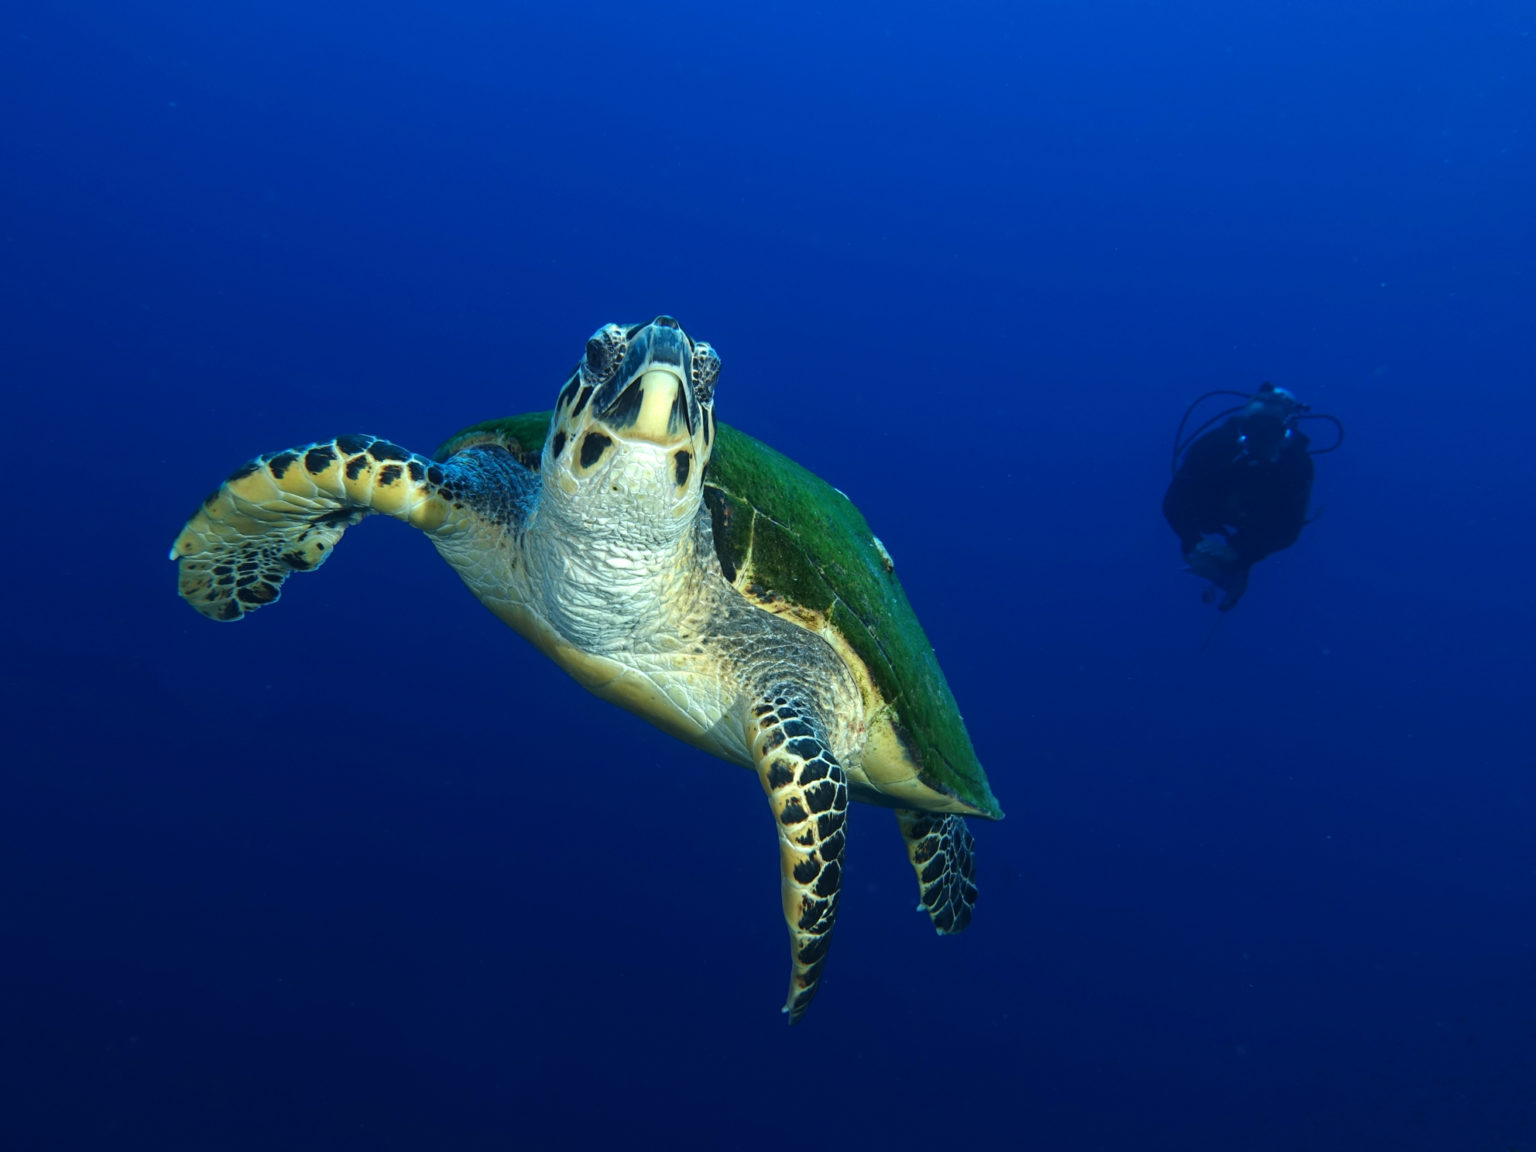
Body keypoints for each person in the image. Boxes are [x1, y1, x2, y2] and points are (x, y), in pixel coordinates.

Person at [1162, 383, 1341, 611]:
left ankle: (1235, 571)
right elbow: (1175, 500)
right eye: (1254, 427)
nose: (1261, 437)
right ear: (1242, 424)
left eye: (1270, 430)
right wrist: (1193, 543)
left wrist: (1240, 553)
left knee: (1259, 536)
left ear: (1285, 429)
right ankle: (1223, 567)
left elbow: (1289, 528)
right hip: (1212, 509)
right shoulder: (1215, 445)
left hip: (1255, 521)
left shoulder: (1295, 464)